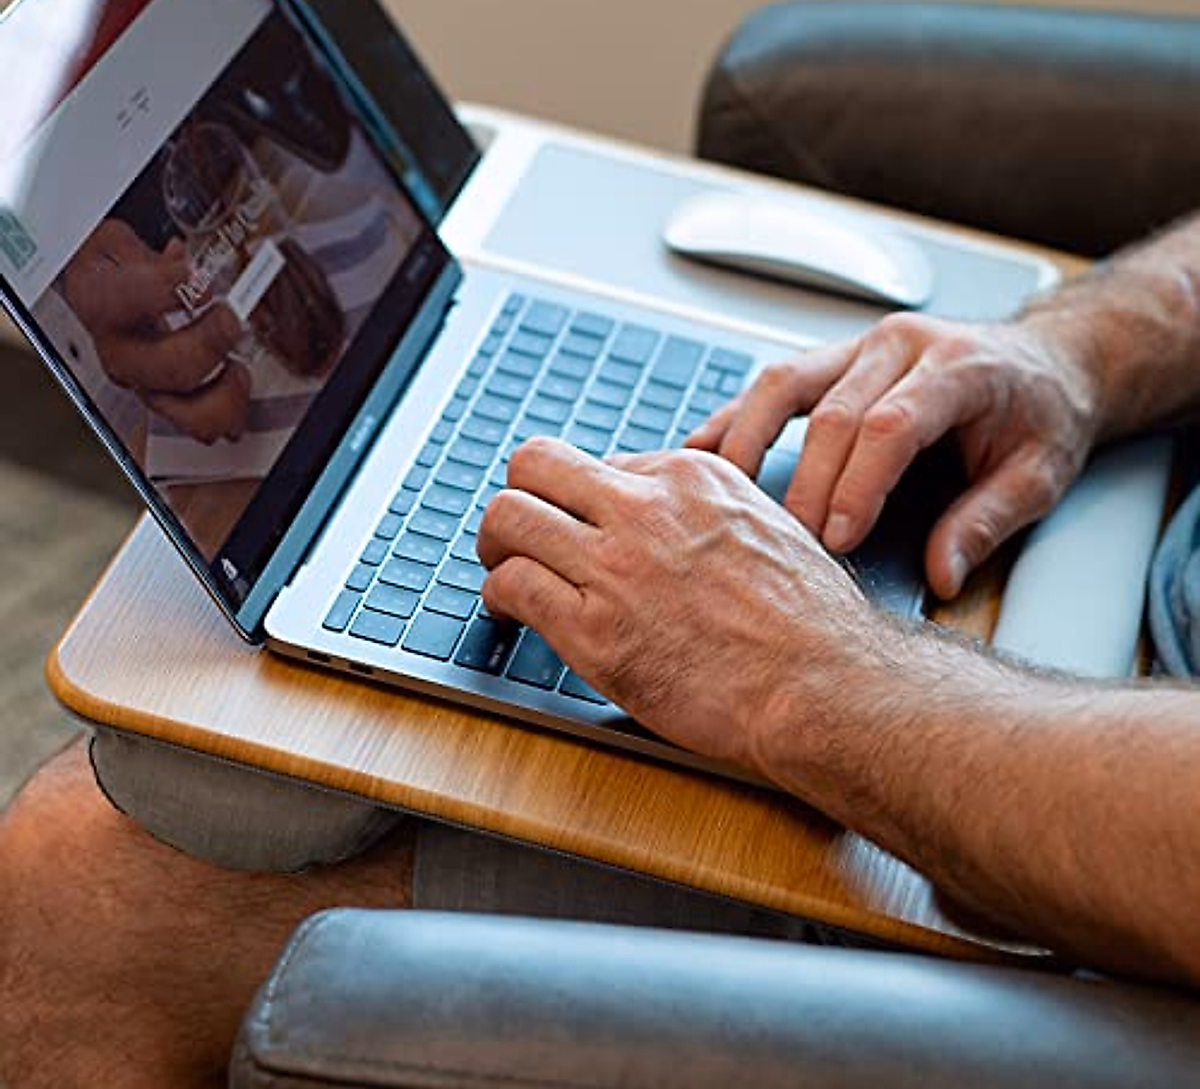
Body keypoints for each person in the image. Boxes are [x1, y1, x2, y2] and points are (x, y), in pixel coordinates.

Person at [4, 215, 1200, 1088]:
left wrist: (812, 676)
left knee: (88, 877)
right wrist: (1084, 347)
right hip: (1127, 544)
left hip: (1089, 870)